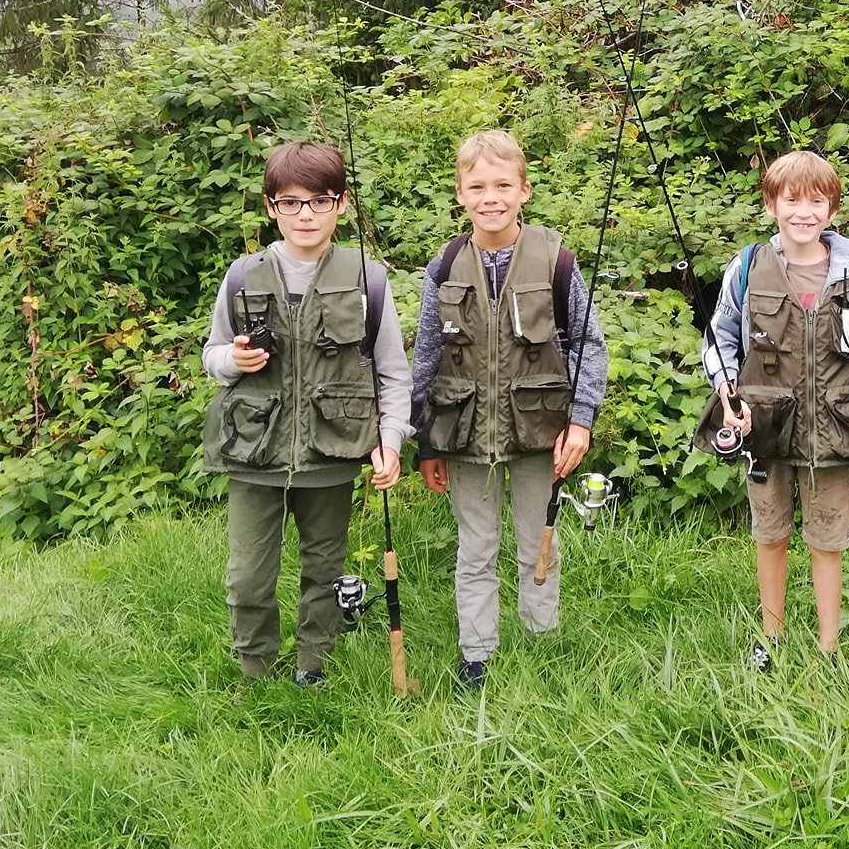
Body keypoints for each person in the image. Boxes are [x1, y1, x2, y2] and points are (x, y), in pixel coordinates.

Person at [200, 140, 408, 687]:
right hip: (255, 452)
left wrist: (391, 441)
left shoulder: (370, 279)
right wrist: (234, 359)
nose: (306, 215)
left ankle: (312, 664)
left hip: (332, 451)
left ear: (341, 204)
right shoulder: (242, 275)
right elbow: (212, 355)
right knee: (247, 578)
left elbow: (392, 373)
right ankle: (255, 669)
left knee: (323, 569)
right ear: (271, 207)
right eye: (291, 203)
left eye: (320, 201)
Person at [411, 129, 608, 692]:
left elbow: (588, 346)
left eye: (502, 185)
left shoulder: (557, 261)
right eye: (477, 186)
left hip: (540, 431)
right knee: (474, 549)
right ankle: (477, 654)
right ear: (460, 193)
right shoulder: (444, 263)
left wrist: (582, 419)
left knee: (537, 541)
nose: (490, 196)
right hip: (465, 433)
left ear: (524, 190)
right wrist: (426, 442)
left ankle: (541, 643)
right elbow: (426, 353)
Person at [700, 150, 849, 669]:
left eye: (816, 201)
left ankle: (830, 647)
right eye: (791, 200)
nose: (803, 211)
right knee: (771, 533)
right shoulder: (746, 268)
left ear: (831, 210)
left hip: (836, 426)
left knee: (828, 539)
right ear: (771, 204)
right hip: (764, 424)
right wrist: (725, 389)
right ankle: (771, 638)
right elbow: (719, 340)